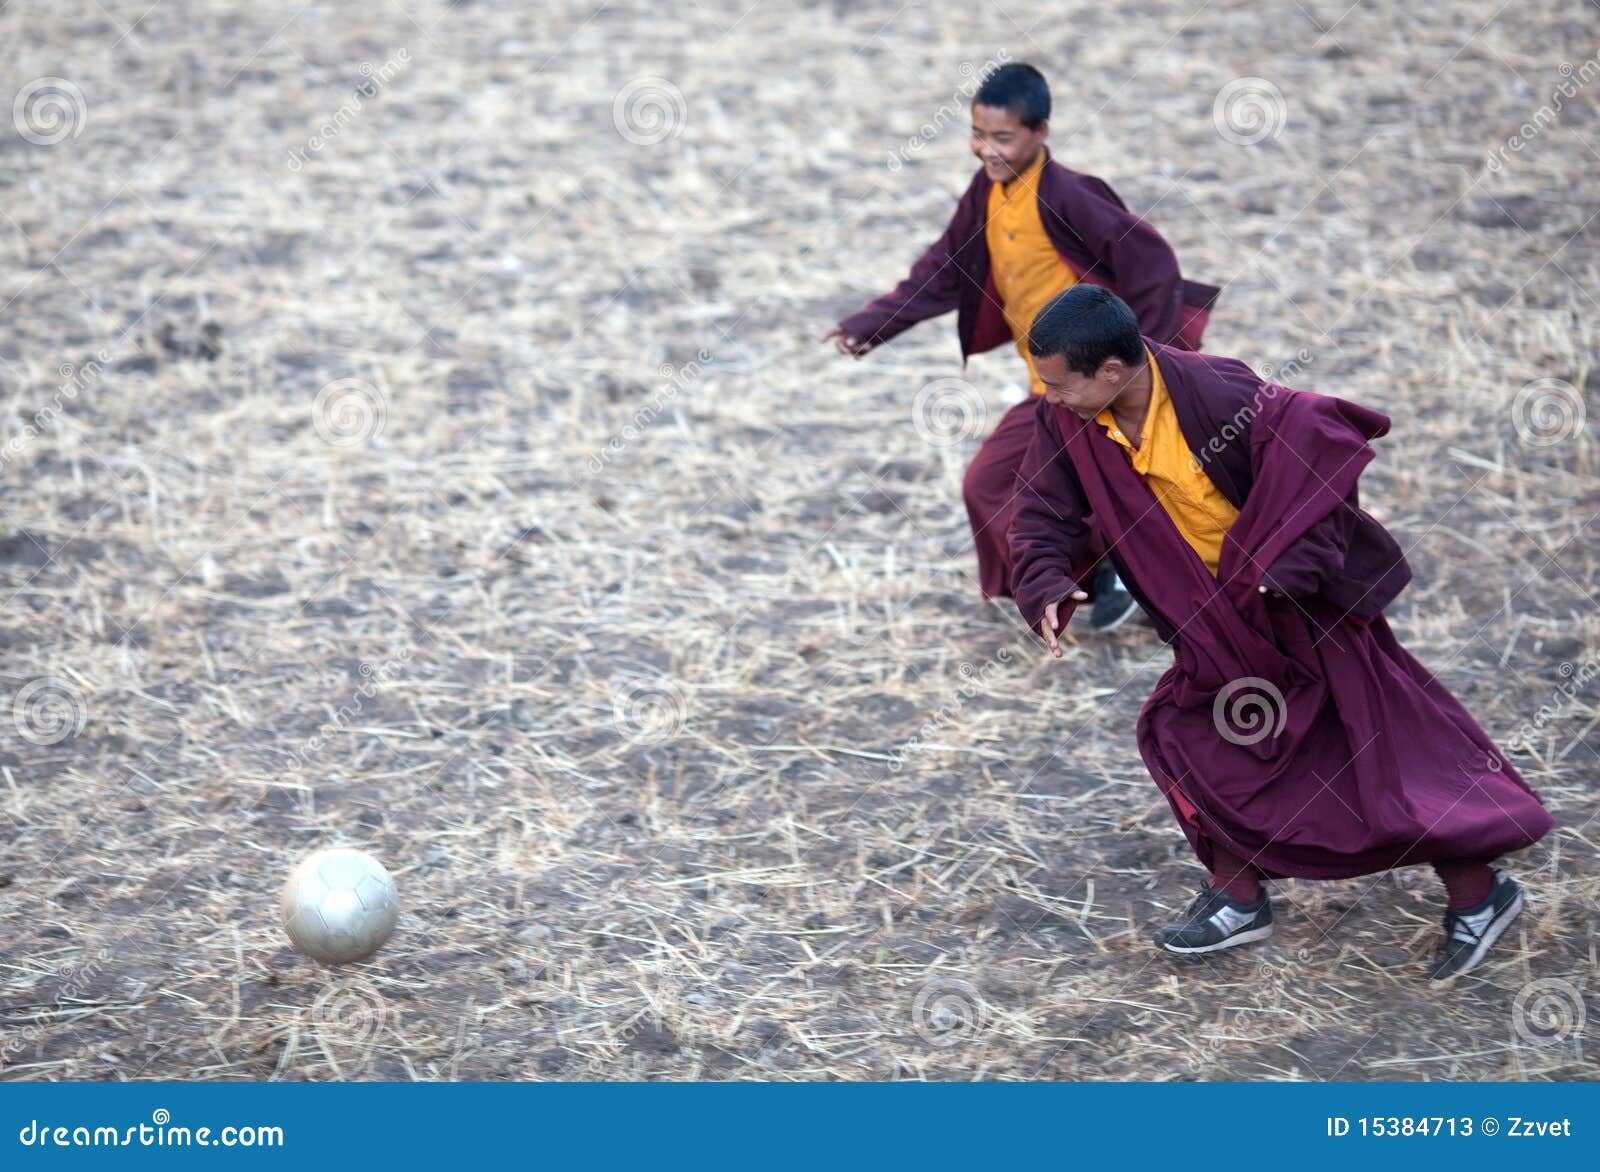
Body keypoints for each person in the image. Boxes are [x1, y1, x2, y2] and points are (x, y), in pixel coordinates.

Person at [1009, 284, 1555, 980]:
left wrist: (1283, 572)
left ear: (1112, 372)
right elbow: (1040, 509)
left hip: (1295, 607)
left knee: (1380, 753)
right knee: (1191, 735)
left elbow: (1316, 457)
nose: (1049, 397)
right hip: (1206, 620)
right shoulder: (1069, 421)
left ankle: (1481, 894)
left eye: (1059, 384)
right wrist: (1048, 585)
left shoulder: (1221, 394)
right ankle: (1239, 897)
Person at [824, 63, 1220, 632]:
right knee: (992, 486)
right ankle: (1085, 582)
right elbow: (945, 265)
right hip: (1050, 389)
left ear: (1040, 133)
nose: (986, 149)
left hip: (1094, 383)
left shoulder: (1070, 195)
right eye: (978, 134)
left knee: (1109, 485)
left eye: (1002, 137)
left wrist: (1145, 361)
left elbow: (1152, 264)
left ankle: (1131, 574)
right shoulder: (988, 191)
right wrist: (873, 323)